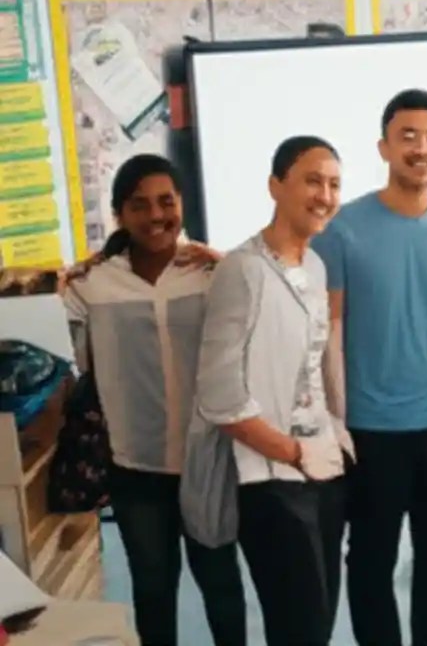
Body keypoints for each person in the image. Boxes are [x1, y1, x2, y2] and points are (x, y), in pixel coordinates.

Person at [311, 88, 427, 646]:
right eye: (407, 136)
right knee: (369, 566)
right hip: (371, 430)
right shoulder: (343, 229)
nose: (421, 148)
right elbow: (329, 334)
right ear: (384, 146)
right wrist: (333, 420)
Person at [62, 154, 246, 646]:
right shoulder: (95, 284)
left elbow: (265, 303)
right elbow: (45, 315)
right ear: (121, 214)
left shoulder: (211, 276)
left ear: (182, 203)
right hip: (135, 466)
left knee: (221, 583)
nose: (156, 215)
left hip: (206, 461)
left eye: (167, 201)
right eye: (140, 205)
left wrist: (226, 262)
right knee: (153, 589)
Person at [192, 135, 348, 645]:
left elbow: (310, 371)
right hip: (270, 478)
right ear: (275, 186)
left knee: (318, 623)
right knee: (298, 627)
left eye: (333, 184)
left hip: (319, 468)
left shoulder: (316, 266)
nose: (324, 194)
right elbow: (219, 396)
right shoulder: (243, 270)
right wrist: (294, 452)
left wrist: (332, 439)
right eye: (311, 180)